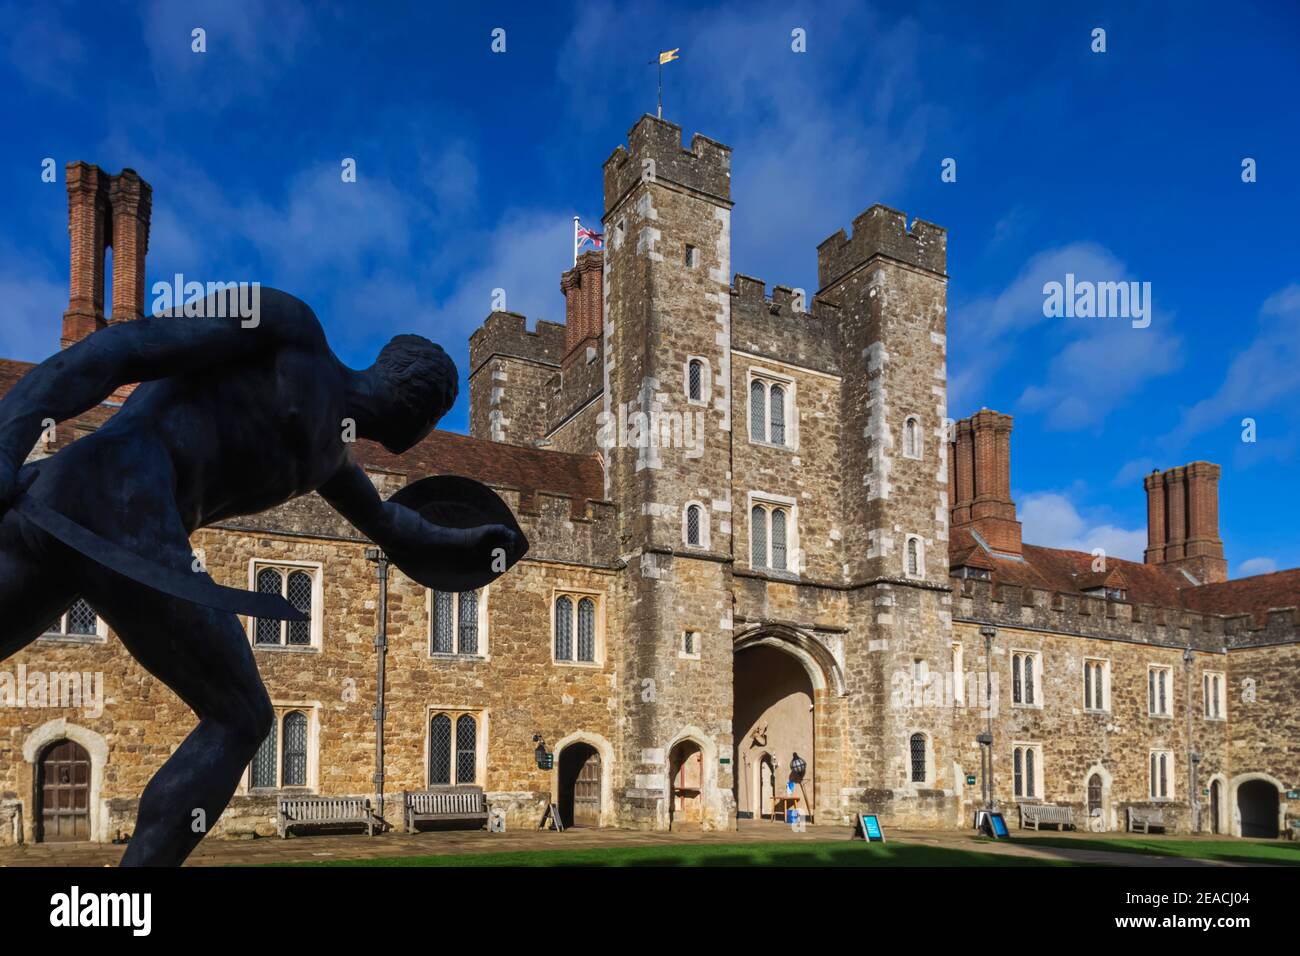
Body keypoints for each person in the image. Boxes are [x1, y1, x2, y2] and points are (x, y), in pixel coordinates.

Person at [0, 288, 523, 865]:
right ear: (418, 412)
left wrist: (481, 543)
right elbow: (123, 348)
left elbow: (397, 531)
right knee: (241, 716)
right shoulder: (289, 327)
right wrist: (5, 445)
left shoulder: (330, 456)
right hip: (123, 496)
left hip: (77, 504)